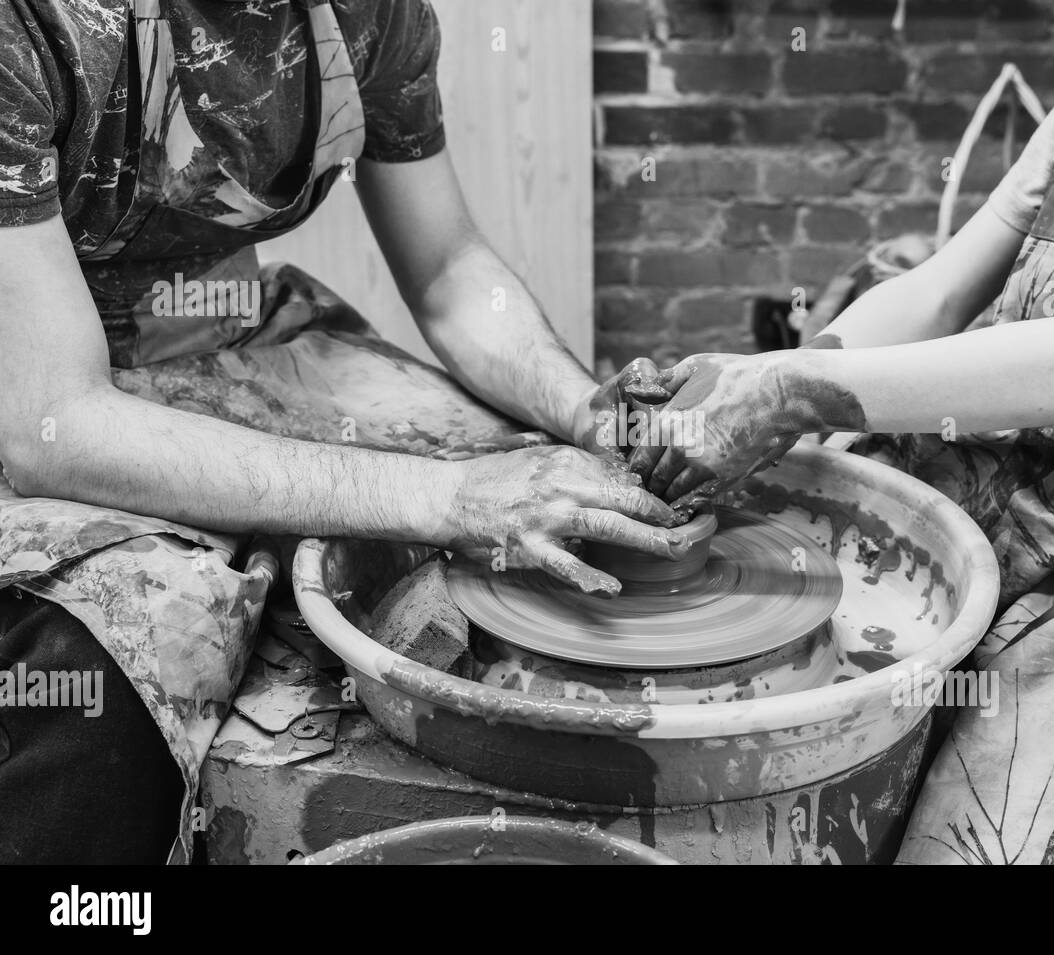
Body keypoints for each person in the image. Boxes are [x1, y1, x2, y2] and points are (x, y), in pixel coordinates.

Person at [0, 0, 683, 863]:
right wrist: (450, 496)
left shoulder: (370, 11)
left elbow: (447, 270)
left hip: (228, 326)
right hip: (37, 376)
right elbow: (55, 424)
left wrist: (587, 410)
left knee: (550, 496)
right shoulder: (34, 25)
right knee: (109, 665)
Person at [626, 0, 1054, 863]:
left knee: (980, 835)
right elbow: (942, 288)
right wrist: (759, 372)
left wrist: (801, 391)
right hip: (1009, 458)